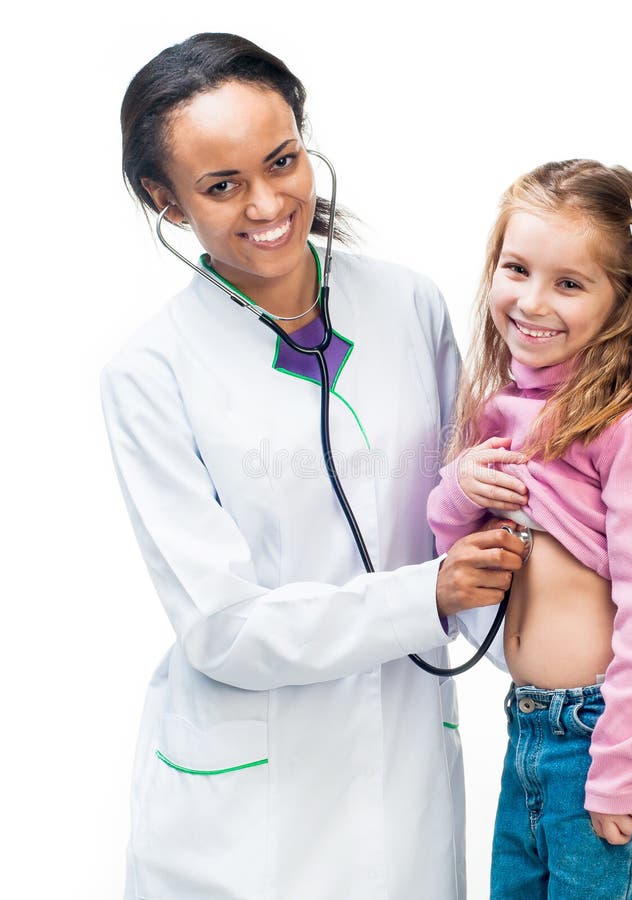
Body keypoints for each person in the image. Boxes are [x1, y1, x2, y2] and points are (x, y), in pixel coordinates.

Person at [102, 32, 527, 900]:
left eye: (283, 160)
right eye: (222, 186)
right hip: (244, 817)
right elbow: (220, 628)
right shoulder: (150, 373)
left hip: (406, 768)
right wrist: (431, 595)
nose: (267, 204)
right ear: (166, 200)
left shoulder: (410, 303)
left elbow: (468, 512)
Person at [427, 159, 632, 899]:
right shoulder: (500, 413)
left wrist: (622, 761)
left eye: (569, 282)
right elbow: (451, 561)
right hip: (529, 729)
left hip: (604, 737)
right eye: (517, 268)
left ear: (628, 301)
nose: (532, 301)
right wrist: (459, 488)